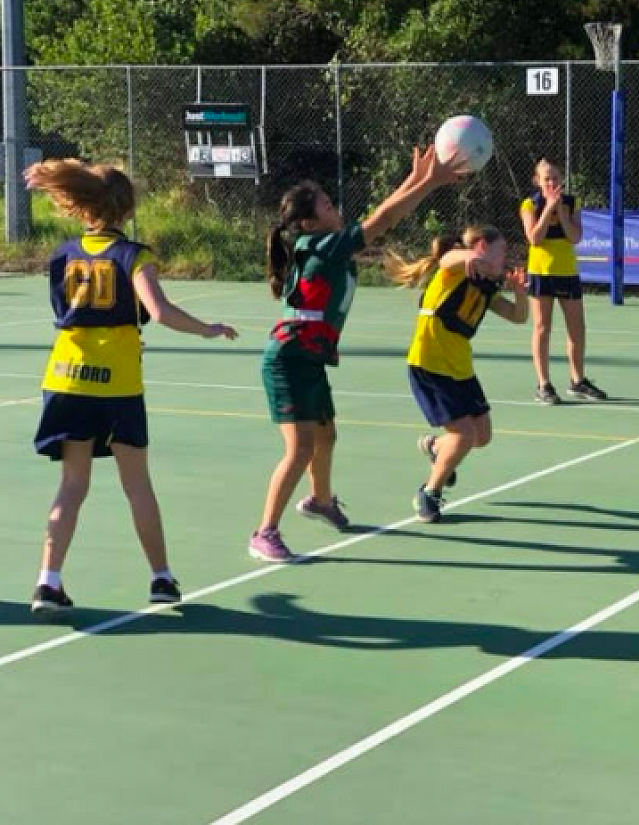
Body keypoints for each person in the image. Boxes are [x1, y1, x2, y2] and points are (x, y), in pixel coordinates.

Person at [26, 159, 238, 614]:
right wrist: (207, 329)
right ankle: (161, 578)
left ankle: (48, 581)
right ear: (126, 209)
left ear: (82, 205)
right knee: (136, 483)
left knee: (72, 484)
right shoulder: (133, 256)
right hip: (117, 384)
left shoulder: (63, 255)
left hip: (65, 378)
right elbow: (158, 312)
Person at [251, 146, 459, 562]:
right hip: (289, 358)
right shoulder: (320, 244)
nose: (335, 208)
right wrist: (430, 183)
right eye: (328, 205)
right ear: (309, 221)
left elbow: (383, 213)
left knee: (326, 435)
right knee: (301, 449)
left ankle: (320, 501)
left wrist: (416, 180)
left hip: (308, 357)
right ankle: (264, 532)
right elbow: (382, 220)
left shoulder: (324, 243)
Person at [387, 225, 528, 522]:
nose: (505, 258)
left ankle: (436, 447)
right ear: (480, 246)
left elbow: (518, 317)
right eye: (501, 250)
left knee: (481, 436)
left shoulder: (486, 290)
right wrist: (471, 258)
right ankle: (429, 493)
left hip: (460, 367)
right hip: (430, 362)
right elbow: (447, 259)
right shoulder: (457, 269)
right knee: (463, 435)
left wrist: (519, 293)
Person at [519, 158, 606, 405]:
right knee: (542, 328)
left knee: (577, 327)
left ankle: (577, 380)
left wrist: (562, 213)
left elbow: (575, 236)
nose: (552, 182)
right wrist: (547, 209)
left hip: (567, 272)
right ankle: (544, 384)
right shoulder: (529, 205)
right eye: (547, 178)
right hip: (541, 273)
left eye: (556, 178)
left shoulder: (571, 203)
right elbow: (534, 238)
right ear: (538, 182)